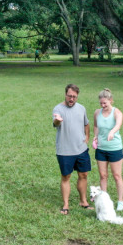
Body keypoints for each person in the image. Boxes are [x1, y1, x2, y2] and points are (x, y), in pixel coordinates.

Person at [52, 84, 92, 215]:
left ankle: (83, 201)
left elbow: (86, 124)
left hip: (81, 149)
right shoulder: (58, 109)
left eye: (74, 97)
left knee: (83, 175)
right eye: (69, 96)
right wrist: (58, 120)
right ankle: (66, 204)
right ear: (65, 94)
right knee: (66, 176)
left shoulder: (81, 108)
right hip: (64, 150)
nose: (71, 99)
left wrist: (87, 137)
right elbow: (55, 123)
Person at [91, 88, 123, 211]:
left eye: (105, 103)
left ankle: (120, 201)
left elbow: (118, 124)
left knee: (116, 175)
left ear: (111, 100)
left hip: (115, 148)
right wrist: (95, 136)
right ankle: (104, 199)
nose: (103, 105)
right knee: (103, 175)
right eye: (101, 103)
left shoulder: (117, 113)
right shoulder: (97, 113)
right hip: (101, 148)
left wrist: (112, 132)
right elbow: (95, 126)